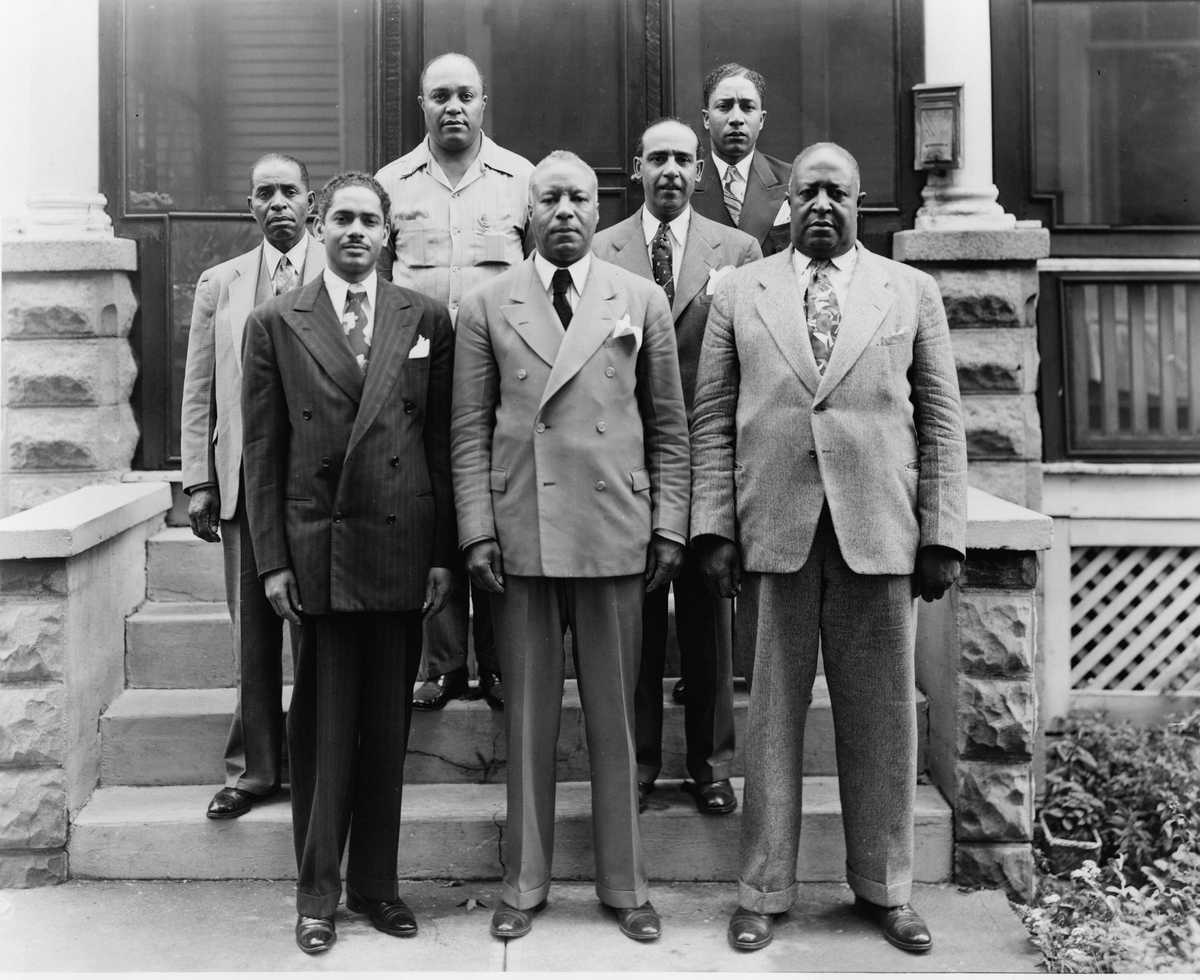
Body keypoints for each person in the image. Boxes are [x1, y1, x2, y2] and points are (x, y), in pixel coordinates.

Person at [689, 142, 967, 955]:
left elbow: (943, 420)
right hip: (774, 530)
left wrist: (943, 532)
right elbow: (712, 416)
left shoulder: (911, 291)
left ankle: (885, 887)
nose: (819, 204)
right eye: (807, 190)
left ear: (860, 201)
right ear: (789, 203)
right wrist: (715, 528)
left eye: (835, 193)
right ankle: (764, 889)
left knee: (883, 720)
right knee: (771, 718)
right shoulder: (741, 291)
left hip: (879, 532)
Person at [452, 151, 690, 943]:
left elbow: (671, 430)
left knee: (618, 720)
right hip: (522, 533)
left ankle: (625, 885)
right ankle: (523, 883)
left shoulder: (641, 298)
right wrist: (476, 529)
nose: (564, 211)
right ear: (528, 212)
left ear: (599, 211)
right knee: (528, 722)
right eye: (549, 198)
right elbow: (467, 431)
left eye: (579, 199)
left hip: (615, 532)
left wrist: (668, 526)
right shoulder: (487, 304)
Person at [241, 171, 456, 954]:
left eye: (370, 219)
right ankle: (316, 897)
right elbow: (264, 451)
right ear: (319, 227)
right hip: (319, 552)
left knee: (386, 731)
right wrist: (272, 562)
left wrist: (443, 557)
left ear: (389, 231)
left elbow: (437, 442)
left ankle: (377, 886)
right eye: (342, 218)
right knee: (324, 735)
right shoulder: (275, 321)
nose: (356, 231)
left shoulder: (424, 315)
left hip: (401, 547)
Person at [593, 118, 760, 817]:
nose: (669, 169)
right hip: (629, 455)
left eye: (682, 160)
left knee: (706, 615)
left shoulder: (740, 249)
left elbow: (755, 354)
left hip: (710, 448)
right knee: (635, 619)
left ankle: (712, 764)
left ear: (699, 172)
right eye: (656, 157)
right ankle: (636, 762)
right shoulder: (602, 250)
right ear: (636, 167)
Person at [376, 52, 533, 712]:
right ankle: (441, 662)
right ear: (422, 104)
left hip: (500, 370)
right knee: (433, 504)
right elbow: (378, 283)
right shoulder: (393, 183)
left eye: (465, 94)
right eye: (440, 95)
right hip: (420, 370)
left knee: (495, 503)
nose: (453, 107)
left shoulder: (520, 179)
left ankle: (497, 663)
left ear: (484, 101)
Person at [180, 152, 324, 821]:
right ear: (250, 207)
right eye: (263, 193)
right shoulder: (222, 283)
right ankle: (257, 767)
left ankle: (320, 762)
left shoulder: (344, 269)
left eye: (288, 192)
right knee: (254, 636)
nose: (277, 204)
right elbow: (199, 389)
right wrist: (199, 482)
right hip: (243, 482)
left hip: (318, 489)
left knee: (316, 631)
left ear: (310, 201)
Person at [691, 63, 791, 258]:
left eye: (747, 107)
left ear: (761, 120)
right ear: (706, 119)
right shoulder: (685, 183)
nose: (736, 118)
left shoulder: (792, 180)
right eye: (724, 107)